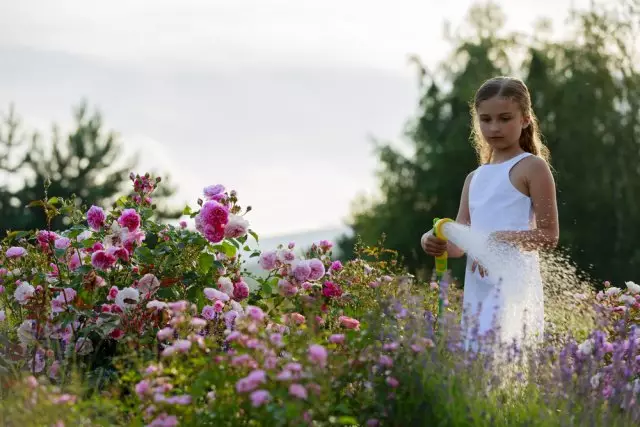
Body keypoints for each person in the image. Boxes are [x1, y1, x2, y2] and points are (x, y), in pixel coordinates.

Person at [421, 76, 559, 348]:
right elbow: (459, 246)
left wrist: (497, 239)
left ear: (525, 119)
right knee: (478, 367)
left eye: (505, 118)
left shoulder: (532, 167)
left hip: (514, 284)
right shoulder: (474, 178)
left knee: (514, 362)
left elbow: (549, 236)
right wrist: (434, 240)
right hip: (478, 286)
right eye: (486, 119)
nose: (494, 127)